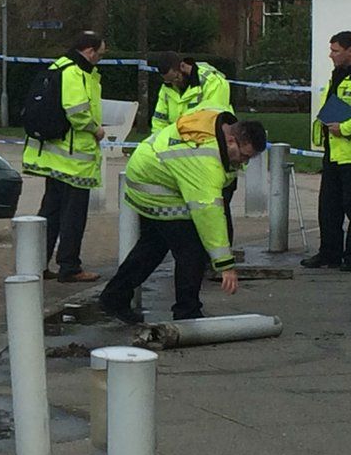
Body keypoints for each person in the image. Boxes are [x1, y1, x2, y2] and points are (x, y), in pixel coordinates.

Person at [94, 109, 267, 324]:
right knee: (191, 250)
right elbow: (208, 213)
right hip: (157, 189)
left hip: (148, 175)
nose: (244, 163)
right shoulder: (206, 158)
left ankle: (115, 296)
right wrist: (225, 265)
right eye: (244, 156)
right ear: (231, 140)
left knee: (153, 246)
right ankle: (187, 312)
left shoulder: (216, 126)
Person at [22, 31, 106, 283]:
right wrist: (96, 129)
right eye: (100, 54)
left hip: (53, 158)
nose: (100, 59)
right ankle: (69, 266)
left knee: (51, 212)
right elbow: (77, 111)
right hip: (74, 160)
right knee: (73, 216)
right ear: (89, 52)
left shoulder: (58, 65)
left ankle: (37, 263)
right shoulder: (75, 73)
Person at [300, 31, 351, 273]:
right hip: (334, 152)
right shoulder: (336, 76)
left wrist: (344, 128)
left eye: (335, 50)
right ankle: (329, 253)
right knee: (328, 208)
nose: (331, 55)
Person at [154, 52, 237, 240]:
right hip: (185, 159)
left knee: (218, 207)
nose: (174, 84)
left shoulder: (212, 82)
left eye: (175, 78)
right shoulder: (167, 88)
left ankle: (221, 258)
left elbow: (214, 122)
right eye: (169, 81)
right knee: (193, 210)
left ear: (183, 67)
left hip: (214, 155)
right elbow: (159, 122)